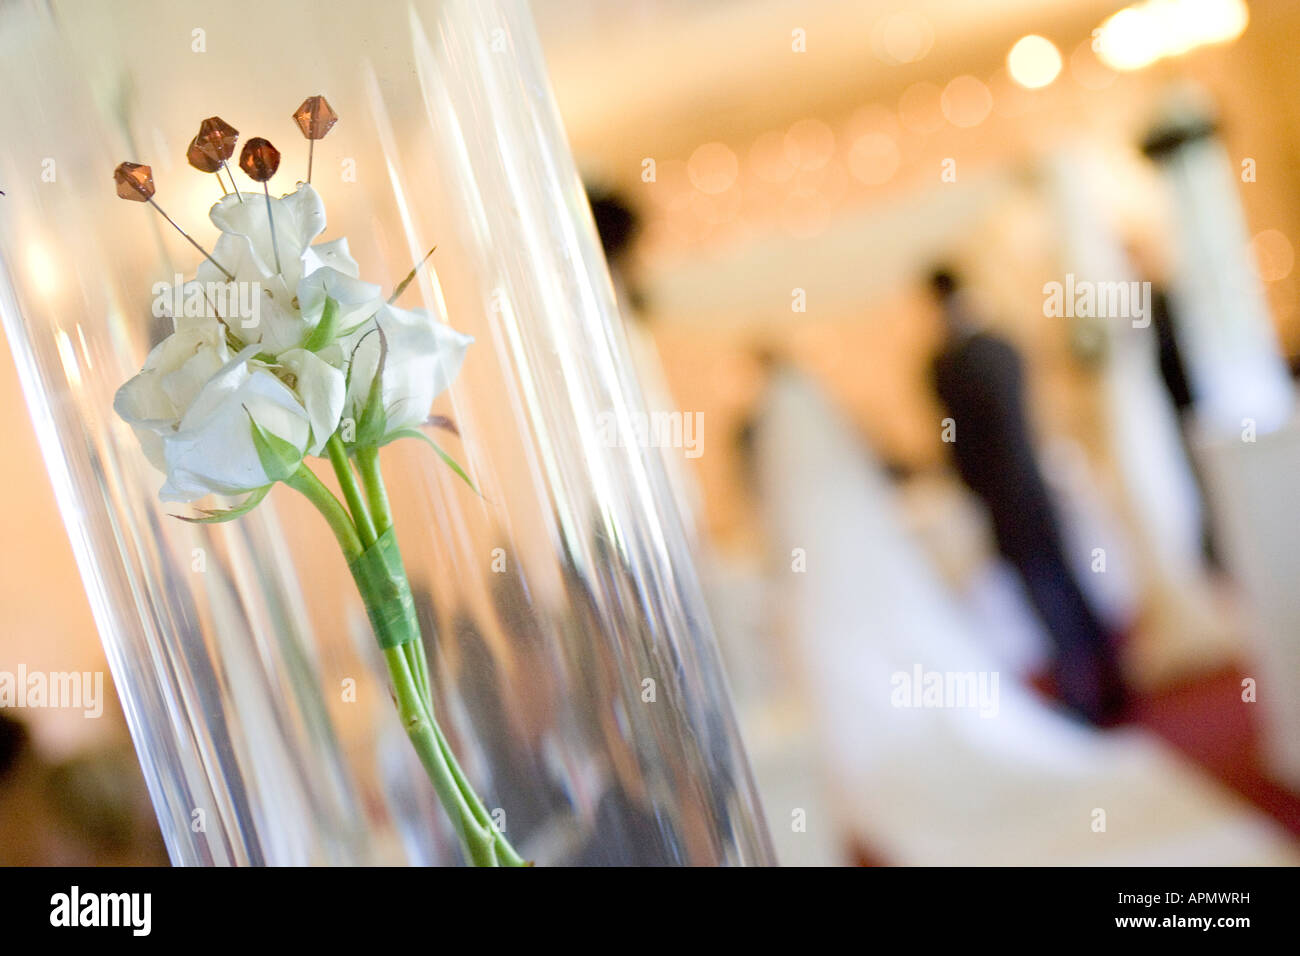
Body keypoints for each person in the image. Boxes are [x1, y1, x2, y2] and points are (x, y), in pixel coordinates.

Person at [927, 267, 1126, 725]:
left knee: (1045, 590)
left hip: (1005, 496)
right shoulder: (1002, 346)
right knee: (1066, 579)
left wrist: (972, 484)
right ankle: (1109, 679)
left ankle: (1084, 692)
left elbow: (960, 441)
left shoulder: (947, 363)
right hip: (1034, 484)